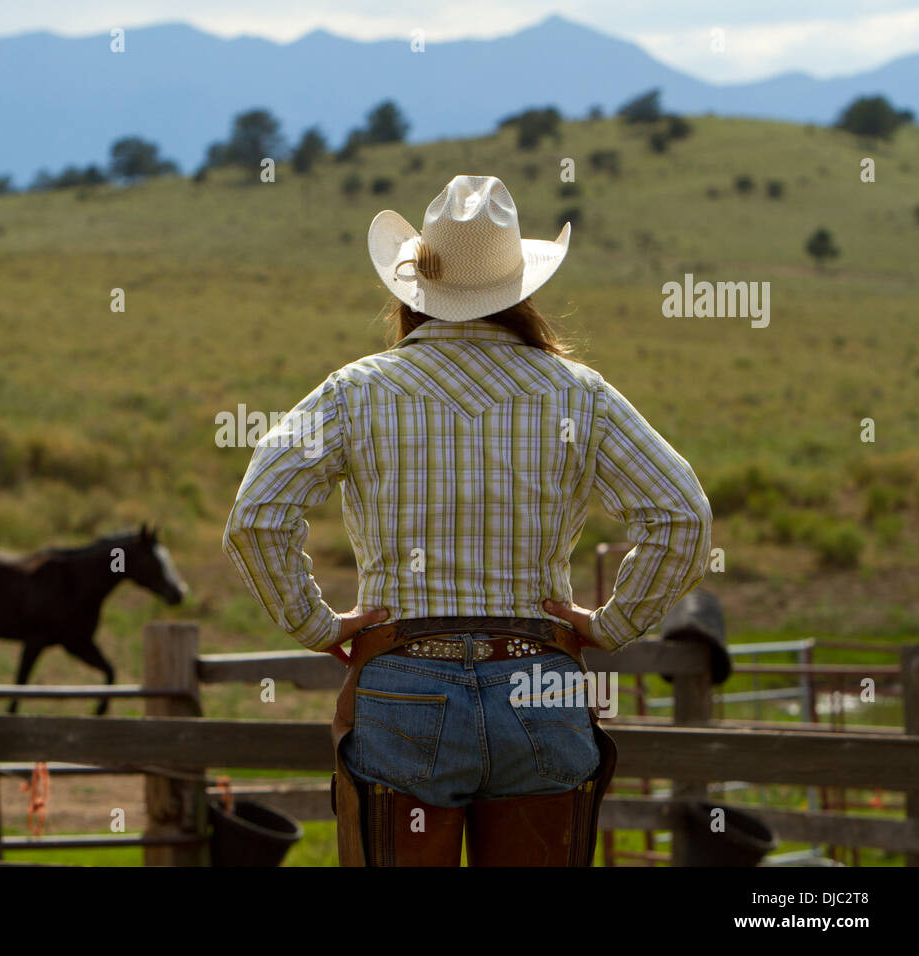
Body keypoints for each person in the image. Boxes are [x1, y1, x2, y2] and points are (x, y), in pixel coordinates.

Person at [223, 175, 712, 866]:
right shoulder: (580, 394)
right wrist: (612, 623)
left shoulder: (356, 391)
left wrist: (315, 624)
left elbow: (257, 517)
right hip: (538, 683)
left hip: (403, 683)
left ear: (413, 290)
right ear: (520, 289)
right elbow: (682, 515)